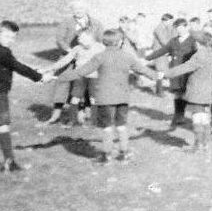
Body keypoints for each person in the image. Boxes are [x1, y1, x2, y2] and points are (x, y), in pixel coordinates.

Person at [45, 29, 156, 164]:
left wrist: (56, 77)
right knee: (121, 126)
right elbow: (143, 70)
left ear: (104, 42)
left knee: (107, 127)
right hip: (123, 97)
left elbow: (80, 72)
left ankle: (106, 156)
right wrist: (161, 76)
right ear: (120, 42)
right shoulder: (128, 56)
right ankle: (125, 153)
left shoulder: (100, 56)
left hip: (106, 98)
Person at [156, 31, 212, 152]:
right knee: (205, 117)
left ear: (197, 42)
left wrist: (165, 73)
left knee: (197, 117)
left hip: (197, 91)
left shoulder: (199, 55)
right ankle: (205, 145)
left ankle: (197, 146)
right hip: (209, 90)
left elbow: (183, 68)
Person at [1, 20, 44, 172]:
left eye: (13, 38)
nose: (10, 41)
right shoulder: (3, 51)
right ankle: (9, 161)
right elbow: (17, 66)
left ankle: (9, 161)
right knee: (3, 125)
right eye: (7, 37)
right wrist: (39, 77)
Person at [141, 17, 196, 130]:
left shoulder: (193, 41)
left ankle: (196, 119)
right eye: (177, 29)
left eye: (181, 28)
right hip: (175, 71)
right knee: (177, 93)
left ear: (187, 27)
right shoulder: (174, 41)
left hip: (187, 72)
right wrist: (147, 58)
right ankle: (178, 116)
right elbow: (162, 50)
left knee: (188, 94)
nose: (179, 31)